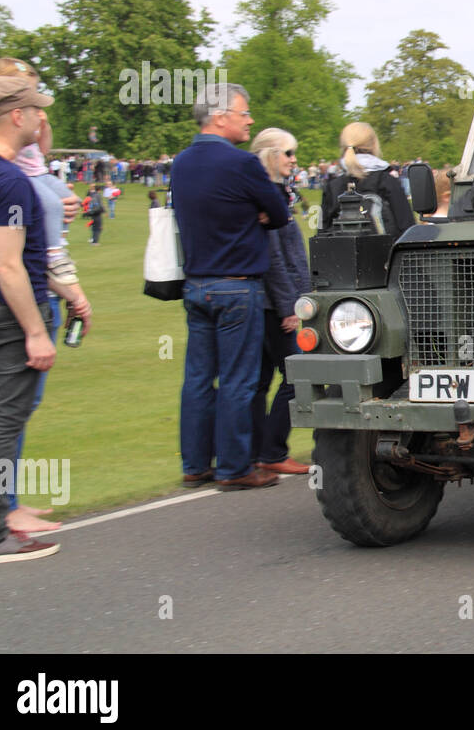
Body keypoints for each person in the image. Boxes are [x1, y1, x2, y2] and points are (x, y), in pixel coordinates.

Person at [0, 76, 89, 564]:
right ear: (16, 116)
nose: (42, 119)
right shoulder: (8, 180)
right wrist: (36, 332)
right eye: (36, 110)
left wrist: (66, 290)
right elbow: (8, 263)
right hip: (5, 313)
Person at [171, 83, 289, 491]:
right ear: (220, 116)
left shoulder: (181, 162)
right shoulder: (242, 164)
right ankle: (235, 467)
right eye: (244, 113)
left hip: (197, 283)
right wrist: (253, 212)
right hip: (237, 285)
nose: (250, 119)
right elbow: (278, 214)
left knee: (199, 379)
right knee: (239, 379)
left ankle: (195, 463)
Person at [248, 128, 312, 475]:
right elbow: (274, 258)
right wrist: (290, 305)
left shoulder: (275, 194)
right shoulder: (269, 196)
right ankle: (271, 451)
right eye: (288, 153)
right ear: (271, 155)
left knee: (259, 381)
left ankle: (258, 451)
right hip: (275, 304)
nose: (293, 160)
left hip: (267, 301)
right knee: (296, 378)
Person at [319, 122, 413, 236]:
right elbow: (408, 229)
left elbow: (322, 233)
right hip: (384, 252)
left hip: (341, 253)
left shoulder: (333, 186)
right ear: (374, 144)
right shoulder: (388, 182)